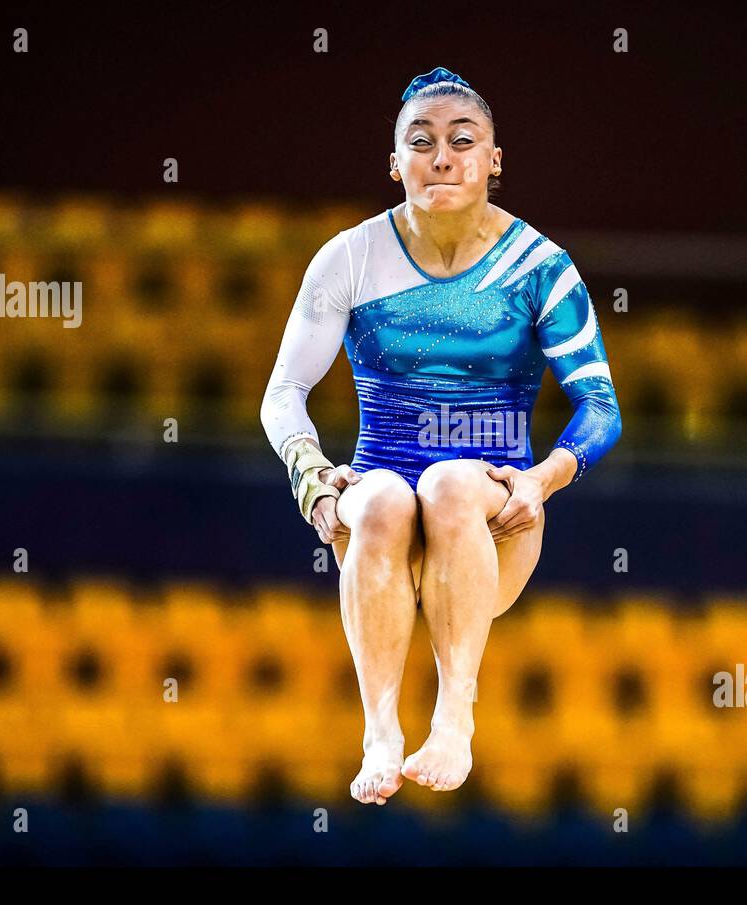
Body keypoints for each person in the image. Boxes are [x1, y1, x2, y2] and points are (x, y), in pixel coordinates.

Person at [261, 67, 621, 805]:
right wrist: (310, 474)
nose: (443, 158)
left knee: (450, 482)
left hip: (492, 512)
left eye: (463, 141)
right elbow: (284, 393)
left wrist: (542, 478)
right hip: (379, 508)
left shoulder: (539, 267)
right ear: (395, 164)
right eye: (420, 144)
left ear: (495, 159)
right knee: (390, 496)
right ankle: (381, 730)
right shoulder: (350, 258)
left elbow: (600, 406)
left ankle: (456, 711)